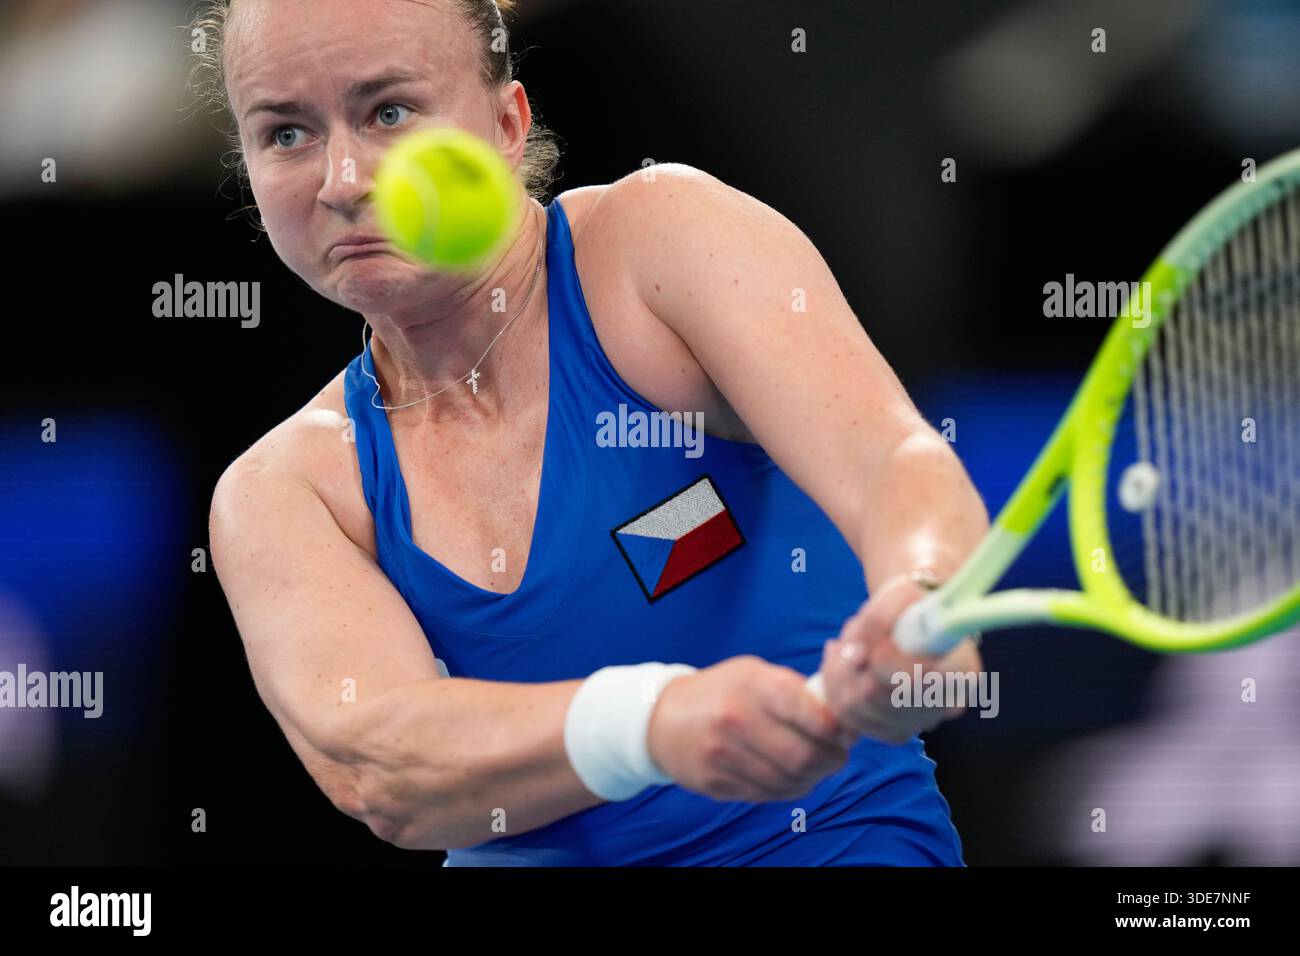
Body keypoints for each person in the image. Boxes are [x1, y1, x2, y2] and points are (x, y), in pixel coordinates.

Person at [200, 0, 987, 865]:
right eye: (285, 134)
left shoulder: (663, 243)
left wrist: (927, 597)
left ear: (506, 124)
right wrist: (652, 723)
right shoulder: (280, 491)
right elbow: (382, 765)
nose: (342, 180)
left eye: (390, 113)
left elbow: (890, 459)